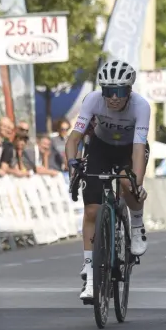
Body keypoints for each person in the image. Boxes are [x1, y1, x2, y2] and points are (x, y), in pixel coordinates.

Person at [63, 59, 150, 303]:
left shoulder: (141, 106)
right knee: (91, 209)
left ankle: (136, 224)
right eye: (108, 91)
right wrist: (72, 164)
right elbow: (74, 139)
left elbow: (138, 147)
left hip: (129, 149)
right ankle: (90, 274)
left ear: (129, 91)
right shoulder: (92, 100)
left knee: (126, 182)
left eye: (119, 92)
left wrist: (137, 183)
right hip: (100, 147)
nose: (113, 98)